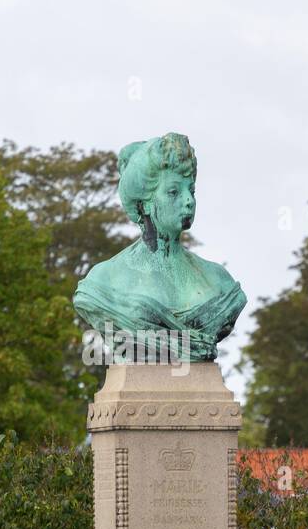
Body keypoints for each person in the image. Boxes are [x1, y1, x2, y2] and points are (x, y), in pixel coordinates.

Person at [72, 133, 246, 362]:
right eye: (173, 192)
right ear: (144, 203)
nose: (189, 200)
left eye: (191, 190)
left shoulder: (220, 282)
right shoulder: (104, 281)